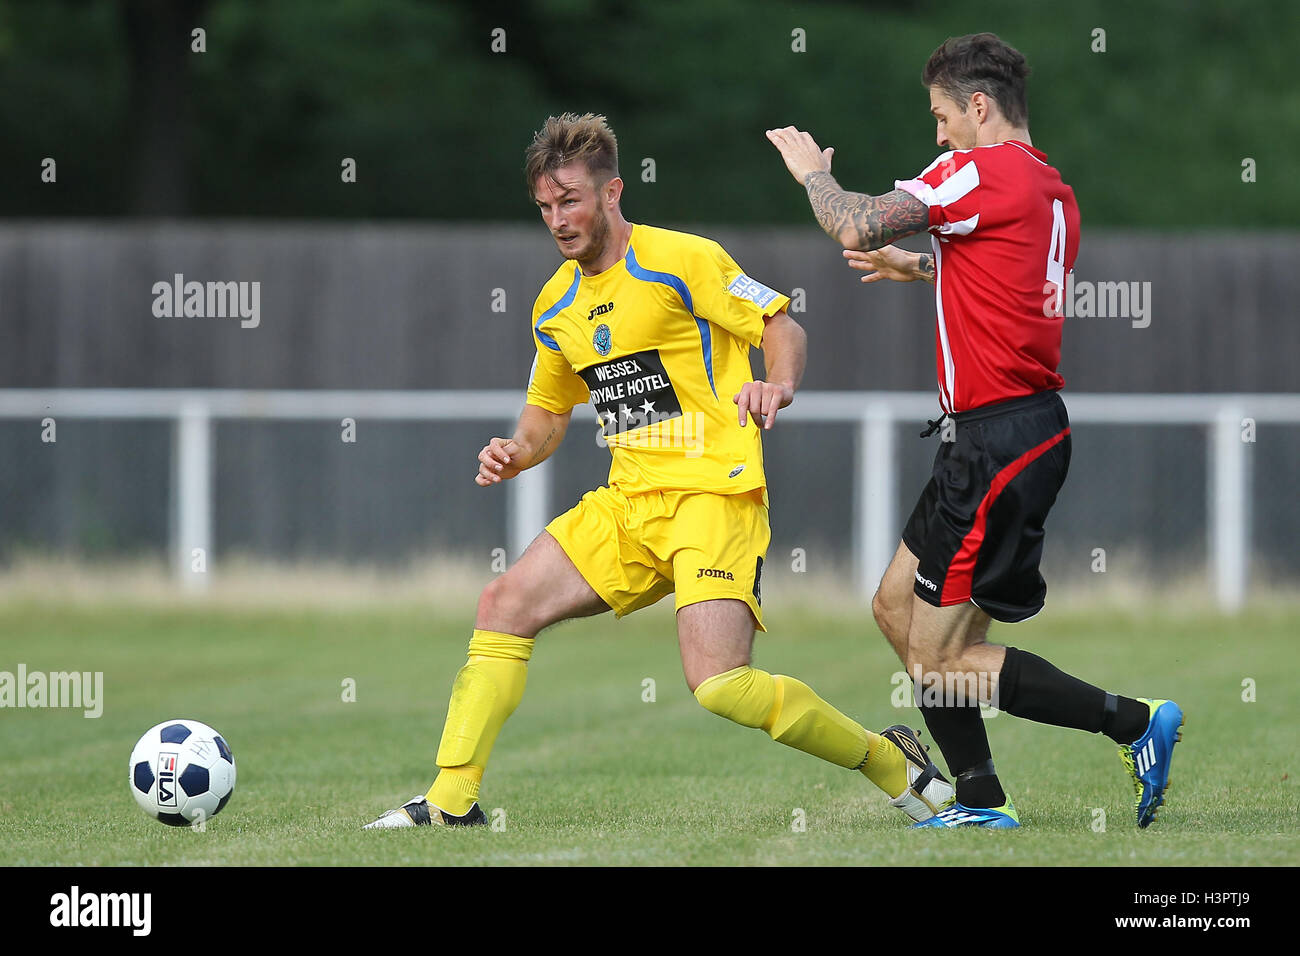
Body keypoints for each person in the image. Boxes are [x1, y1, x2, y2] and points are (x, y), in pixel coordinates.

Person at [364, 112, 953, 829]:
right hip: (628, 502)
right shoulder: (555, 305)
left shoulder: (681, 260)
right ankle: (452, 802)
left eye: (571, 200)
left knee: (720, 686)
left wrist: (780, 382)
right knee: (503, 605)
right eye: (546, 206)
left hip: (713, 494)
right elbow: (547, 411)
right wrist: (516, 451)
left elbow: (780, 325)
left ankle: (890, 761)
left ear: (612, 192)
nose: (558, 218)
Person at [766, 33, 1183, 828]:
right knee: (895, 609)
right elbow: (1005, 282)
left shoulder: (974, 171)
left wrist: (814, 176)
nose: (937, 134)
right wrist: (924, 269)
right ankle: (982, 798)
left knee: (942, 656)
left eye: (941, 115)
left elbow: (857, 225)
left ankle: (1134, 722)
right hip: (1000, 439)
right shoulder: (1051, 187)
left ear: (979, 107)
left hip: (998, 444)